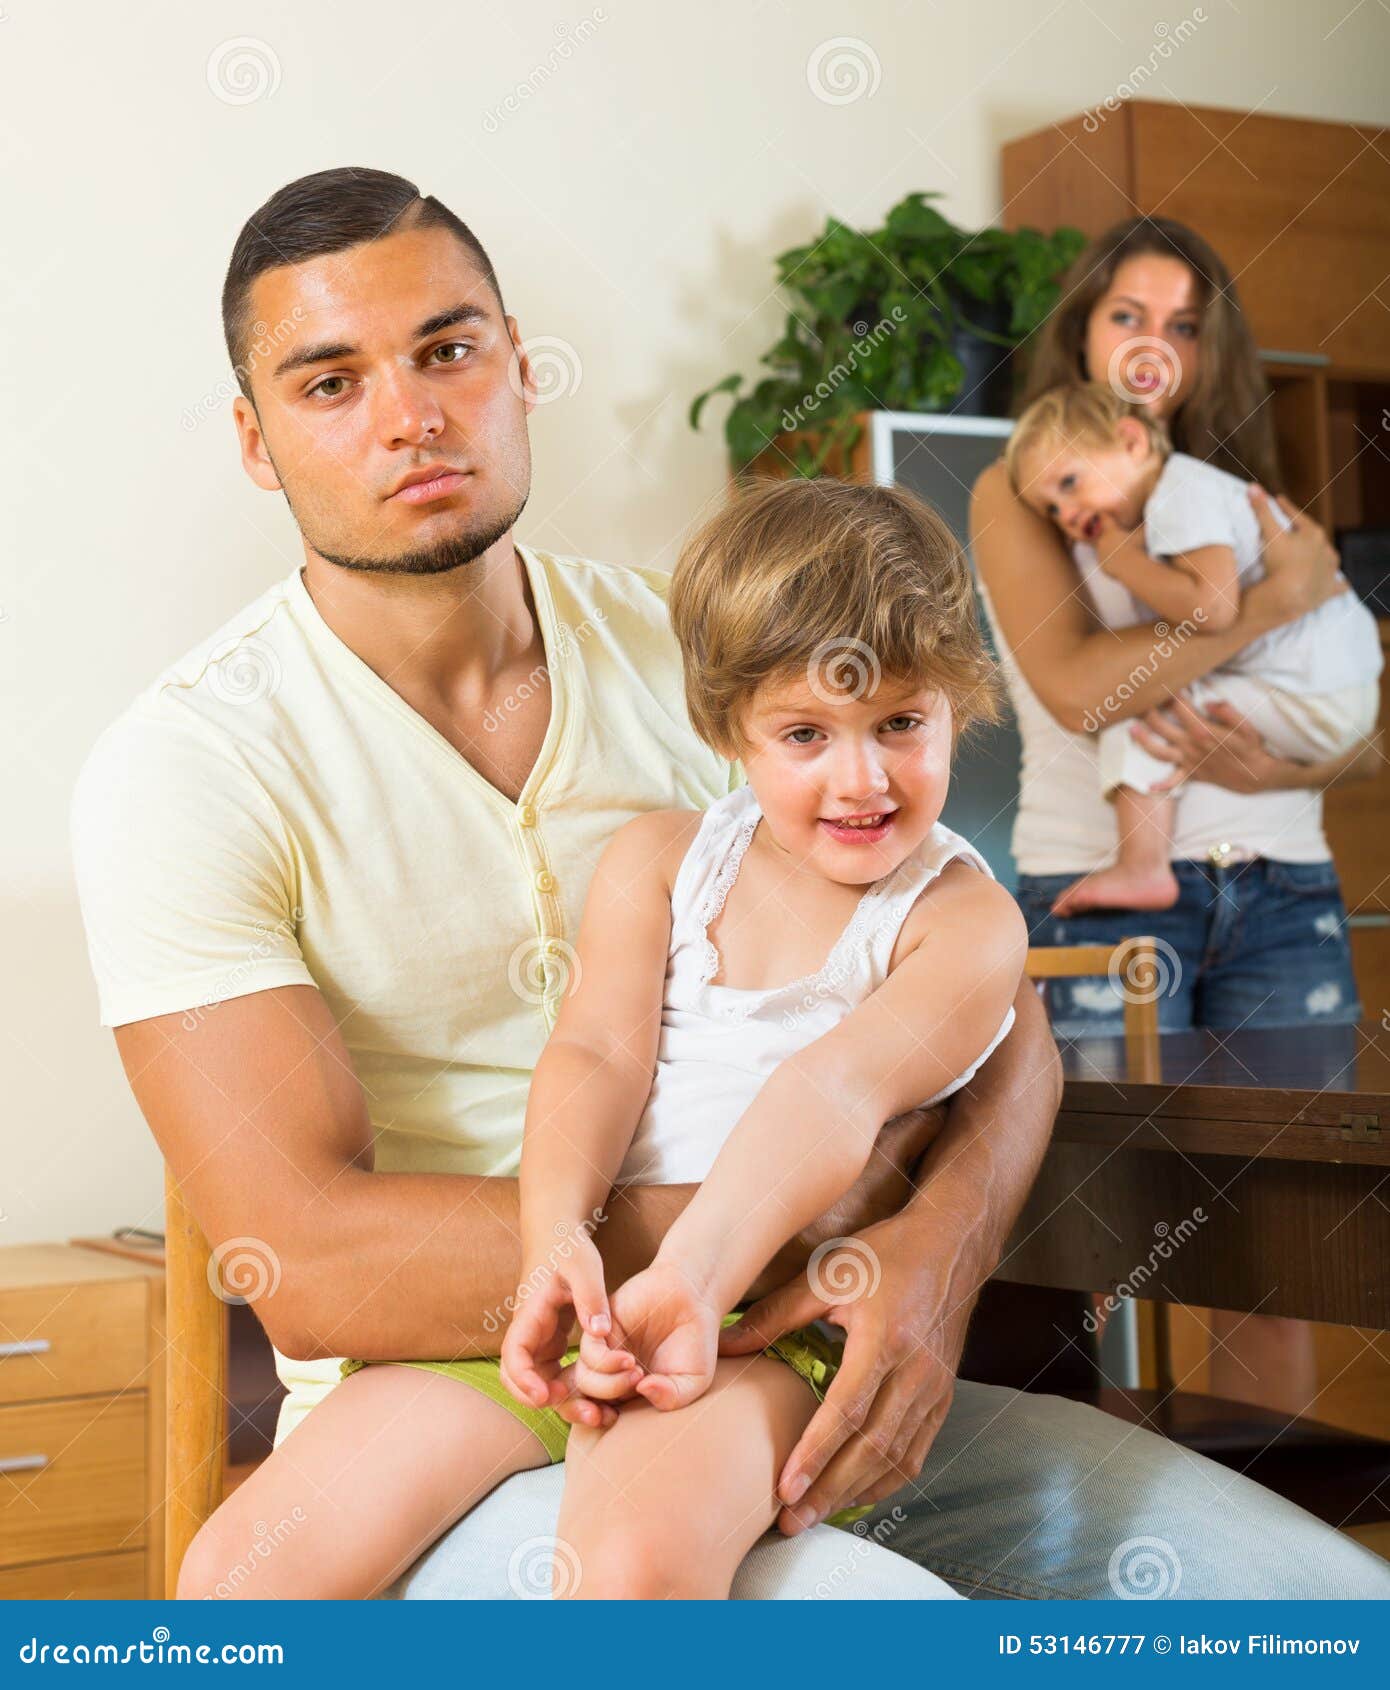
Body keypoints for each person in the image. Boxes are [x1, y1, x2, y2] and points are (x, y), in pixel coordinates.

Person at [71, 169, 1390, 1599]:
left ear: (518, 362)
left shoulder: (727, 656)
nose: (410, 414)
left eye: (447, 351)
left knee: (1314, 1602)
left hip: (813, 1361)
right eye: (330, 382)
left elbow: (982, 994)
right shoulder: (186, 764)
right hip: (461, 1407)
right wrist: (806, 1220)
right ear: (256, 442)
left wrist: (934, 1246)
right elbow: (307, 1256)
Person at [172, 478, 1026, 1599]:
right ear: (728, 728)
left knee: (629, 1569)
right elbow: (596, 1058)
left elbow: (829, 1095)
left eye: (901, 724)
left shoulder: (961, 923)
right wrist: (552, 1244)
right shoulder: (663, 860)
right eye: (806, 733)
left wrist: (685, 1282)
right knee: (238, 1572)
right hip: (582, 1309)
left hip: (756, 1326)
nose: (860, 778)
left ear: (956, 704)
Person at [970, 215, 1380, 1419]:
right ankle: (1085, 1555)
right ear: (1083, 331)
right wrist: (1266, 605)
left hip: (1281, 892)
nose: (1155, 344)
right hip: (1096, 894)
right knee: (1078, 1238)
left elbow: (1358, 726)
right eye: (1128, 315)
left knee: (1278, 1250)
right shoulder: (1026, 491)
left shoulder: (1231, 496)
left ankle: (1274, 1568)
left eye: (1184, 326)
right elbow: (1076, 684)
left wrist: (1285, 765)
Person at [1004, 382, 1382, 919]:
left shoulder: (1179, 493)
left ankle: (1142, 867)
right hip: (1334, 690)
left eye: (1070, 482)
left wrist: (1121, 561)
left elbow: (1214, 609)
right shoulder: (1192, 489)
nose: (1067, 512)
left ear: (1132, 441)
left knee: (1137, 708)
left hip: (1315, 692)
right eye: (1051, 507)